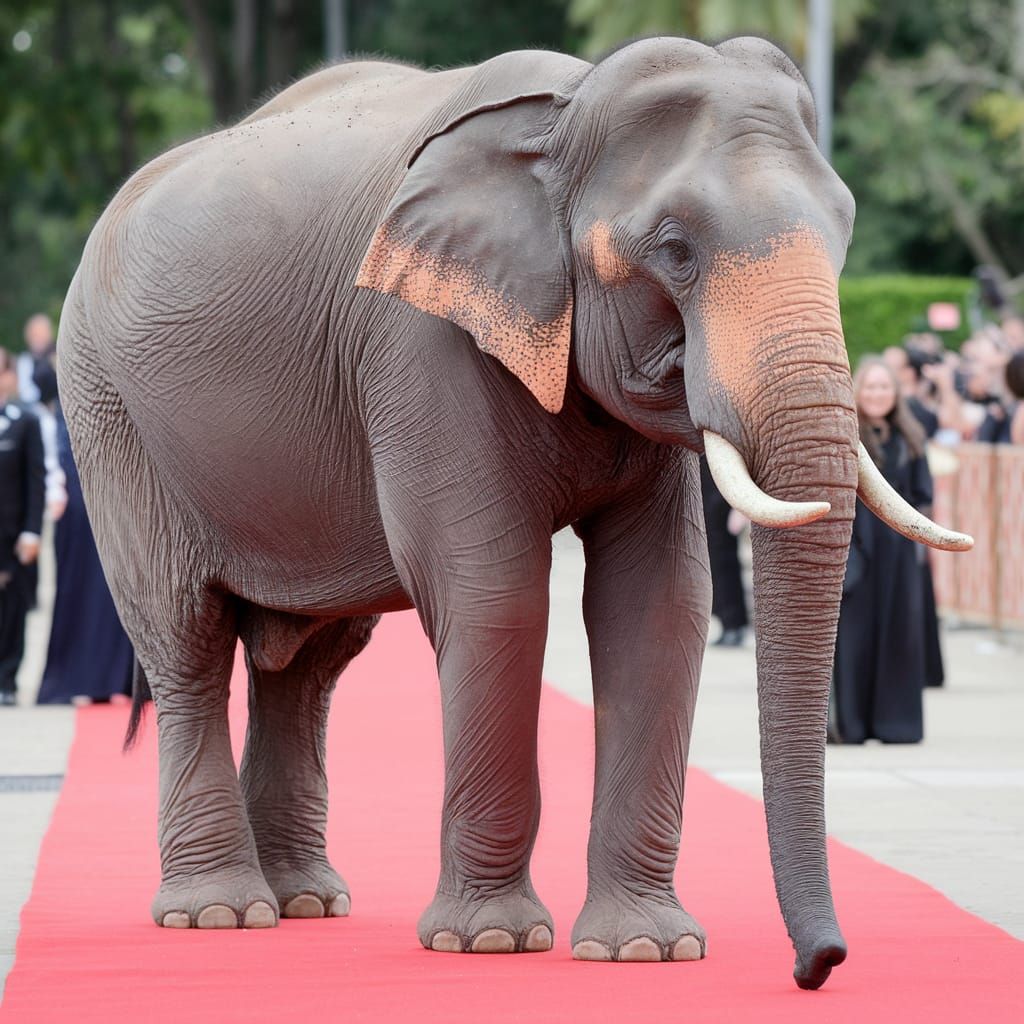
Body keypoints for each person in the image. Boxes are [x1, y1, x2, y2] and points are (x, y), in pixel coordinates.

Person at [831, 357, 934, 743]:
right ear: (858, 391)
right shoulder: (845, 435)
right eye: (871, 387)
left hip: (899, 554)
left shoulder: (911, 438)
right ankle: (852, 724)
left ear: (895, 393)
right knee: (855, 635)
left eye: (884, 387)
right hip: (857, 548)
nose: (877, 394)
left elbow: (923, 495)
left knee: (898, 635)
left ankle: (895, 725)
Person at [36, 408, 135, 704]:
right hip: (80, 496)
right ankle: (85, 676)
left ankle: (124, 677)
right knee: (83, 585)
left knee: (125, 583)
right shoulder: (63, 413)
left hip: (123, 489)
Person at [0, 348, 46, 706]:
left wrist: (32, 531)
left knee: (12, 611)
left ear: (10, 377)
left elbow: (35, 481)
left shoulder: (26, 422)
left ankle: (7, 680)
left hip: (12, 535)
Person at [700, 456, 748, 646]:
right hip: (709, 509)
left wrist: (740, 508)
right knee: (715, 563)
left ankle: (734, 625)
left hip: (723, 503)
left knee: (726, 563)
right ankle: (726, 624)